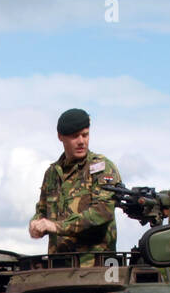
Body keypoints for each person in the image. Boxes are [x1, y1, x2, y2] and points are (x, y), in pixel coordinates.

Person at [29, 108, 122, 266]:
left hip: (96, 267)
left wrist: (56, 226)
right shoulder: (52, 173)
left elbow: (102, 212)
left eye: (85, 135)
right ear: (60, 137)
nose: (81, 141)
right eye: (74, 136)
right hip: (58, 268)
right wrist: (35, 224)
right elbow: (42, 211)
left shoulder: (101, 167)